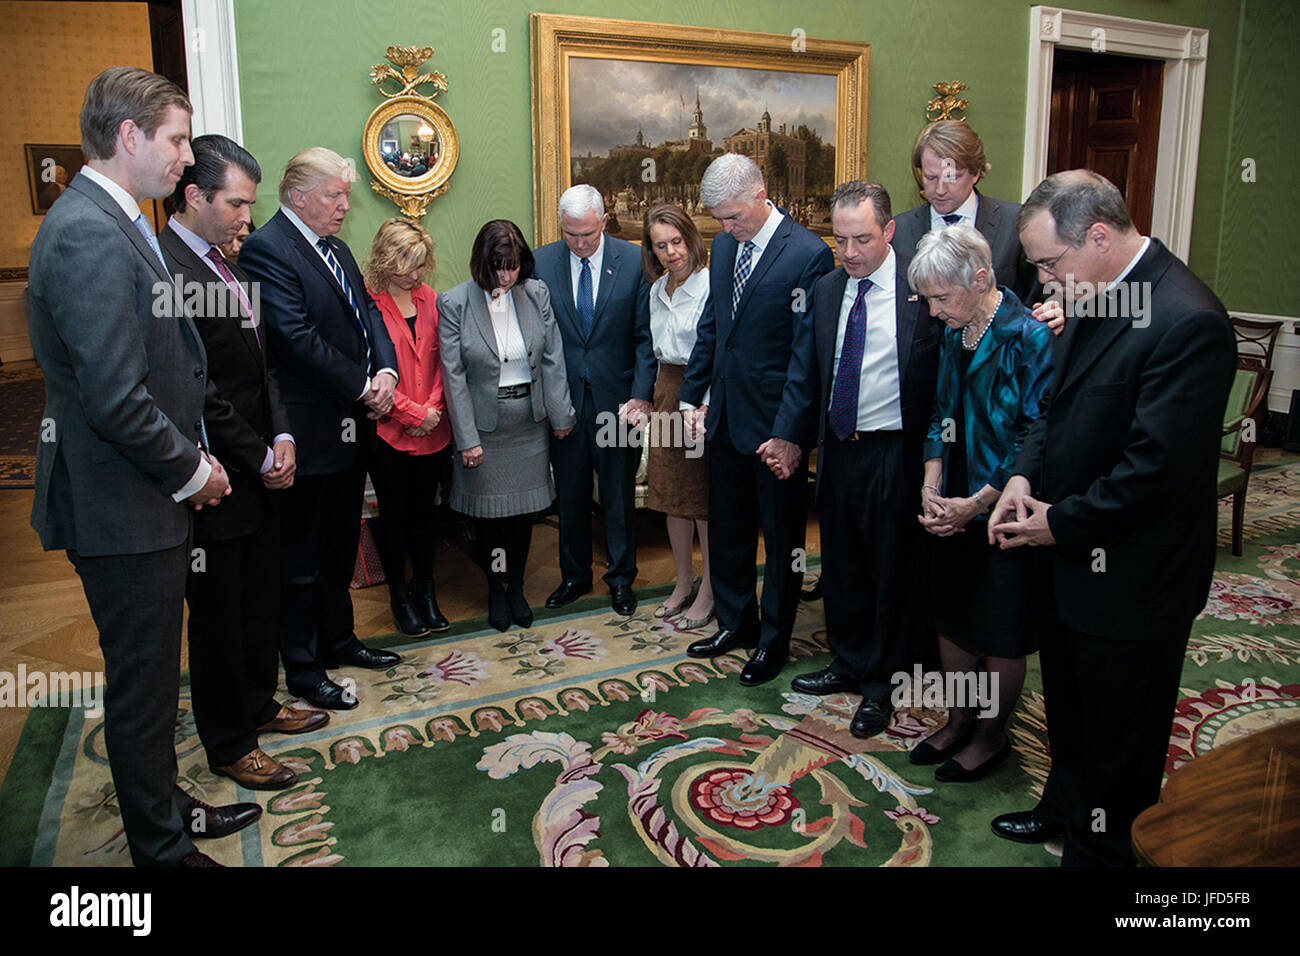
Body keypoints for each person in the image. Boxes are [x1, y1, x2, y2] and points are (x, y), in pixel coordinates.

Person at [28, 66, 258, 866]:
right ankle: (160, 849)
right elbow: (115, 398)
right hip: (121, 502)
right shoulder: (90, 230)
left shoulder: (114, 218)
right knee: (143, 685)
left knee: (158, 680)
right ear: (129, 137)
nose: (186, 157)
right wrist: (198, 471)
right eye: (175, 139)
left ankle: (162, 808)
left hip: (139, 494)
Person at [988, 170, 1236, 866]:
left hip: (1133, 578)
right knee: (1069, 710)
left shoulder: (1189, 320)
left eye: (1047, 263)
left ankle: (1099, 850)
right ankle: (1064, 806)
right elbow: (1054, 408)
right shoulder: (1092, 288)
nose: (1042, 280)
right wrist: (1021, 475)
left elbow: (1154, 475)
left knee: (1119, 741)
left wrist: (1056, 523)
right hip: (1069, 558)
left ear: (1098, 235)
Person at [161, 134, 327, 793]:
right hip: (216, 477)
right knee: (220, 616)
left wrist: (282, 439)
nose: (245, 219)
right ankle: (230, 742)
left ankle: (259, 704)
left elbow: (263, 372)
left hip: (260, 467)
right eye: (235, 203)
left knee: (259, 600)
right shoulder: (169, 268)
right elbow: (197, 389)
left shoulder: (229, 264)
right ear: (194, 196)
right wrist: (258, 453)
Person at [239, 147, 402, 712]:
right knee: (301, 559)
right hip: (304, 434)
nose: (343, 205)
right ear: (297, 195)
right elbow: (294, 337)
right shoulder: (268, 250)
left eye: (344, 195)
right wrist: (363, 386)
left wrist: (385, 370)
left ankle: (339, 641)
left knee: (339, 546)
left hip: (349, 431)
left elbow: (370, 316)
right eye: (334, 195)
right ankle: (305, 670)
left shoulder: (335, 247)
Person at [779, 181, 939, 735]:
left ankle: (882, 683)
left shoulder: (921, 289)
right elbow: (806, 372)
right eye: (840, 239)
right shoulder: (826, 290)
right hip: (838, 448)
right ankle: (848, 662)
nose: (849, 252)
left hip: (896, 450)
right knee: (842, 563)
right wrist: (791, 436)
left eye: (862, 239)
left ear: (890, 232)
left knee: (891, 568)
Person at [678, 153, 834, 687]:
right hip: (723, 418)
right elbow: (713, 327)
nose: (726, 228)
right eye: (719, 219)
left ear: (761, 193)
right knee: (728, 532)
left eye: (734, 216)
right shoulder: (724, 247)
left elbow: (804, 356)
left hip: (774, 429)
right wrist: (690, 398)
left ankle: (774, 640)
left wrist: (789, 433)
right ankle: (738, 623)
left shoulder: (809, 254)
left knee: (782, 538)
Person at [908, 224, 1054, 779]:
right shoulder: (955, 332)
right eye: (928, 300)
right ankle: (956, 720)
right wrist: (931, 479)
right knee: (951, 613)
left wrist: (977, 503)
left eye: (942, 298)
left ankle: (992, 737)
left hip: (1007, 500)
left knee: (998, 626)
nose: (934, 312)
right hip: (955, 494)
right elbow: (941, 410)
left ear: (982, 276)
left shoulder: (1028, 335)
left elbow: (1031, 434)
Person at [440, 220, 575, 631]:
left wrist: (561, 415)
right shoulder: (455, 302)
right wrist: (466, 438)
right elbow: (453, 375)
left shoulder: (535, 294)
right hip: (484, 432)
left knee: (520, 517)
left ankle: (515, 586)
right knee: (489, 518)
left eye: (513, 266)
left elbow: (553, 358)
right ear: (481, 263)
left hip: (528, 427)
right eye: (497, 266)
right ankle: (495, 589)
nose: (505, 275)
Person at [533, 184, 655, 617]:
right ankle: (574, 576)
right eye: (571, 235)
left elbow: (645, 337)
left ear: (604, 221)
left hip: (617, 401)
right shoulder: (541, 261)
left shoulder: (633, 260)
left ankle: (621, 578)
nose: (580, 244)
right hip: (564, 400)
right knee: (570, 493)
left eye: (587, 234)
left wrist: (641, 395)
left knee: (618, 497)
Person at [364, 217, 452, 637]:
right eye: (406, 265)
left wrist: (431, 410)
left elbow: (442, 362)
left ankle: (427, 592)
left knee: (425, 516)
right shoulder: (368, 301)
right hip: (389, 432)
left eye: (420, 265)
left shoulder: (430, 298)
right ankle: (399, 596)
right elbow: (370, 371)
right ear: (385, 259)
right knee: (395, 518)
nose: (415, 274)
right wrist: (413, 415)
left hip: (434, 430)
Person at [631, 203, 713, 629]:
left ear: (690, 238)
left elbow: (716, 351)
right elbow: (652, 352)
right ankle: (684, 583)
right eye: (660, 245)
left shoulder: (710, 285)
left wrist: (704, 404)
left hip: (700, 394)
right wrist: (643, 399)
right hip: (666, 392)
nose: (670, 252)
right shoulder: (655, 290)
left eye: (676, 241)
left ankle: (711, 591)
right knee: (669, 495)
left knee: (702, 500)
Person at [892, 121, 1038, 303]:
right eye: (930, 178)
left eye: (951, 178)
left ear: (975, 173)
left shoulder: (1015, 223)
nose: (939, 190)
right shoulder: (899, 231)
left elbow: (1035, 299)